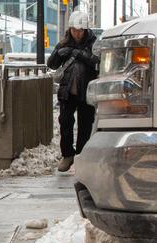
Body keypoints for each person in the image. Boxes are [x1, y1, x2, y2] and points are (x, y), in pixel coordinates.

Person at [47, 11, 100, 172]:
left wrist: (82, 55)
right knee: (65, 123)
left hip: (86, 91)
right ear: (70, 29)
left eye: (80, 30)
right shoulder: (64, 42)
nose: (77, 33)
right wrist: (58, 53)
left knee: (85, 125)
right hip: (67, 91)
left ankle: (81, 155)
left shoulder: (94, 43)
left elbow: (99, 63)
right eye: (74, 30)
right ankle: (67, 155)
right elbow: (52, 64)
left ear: (85, 30)